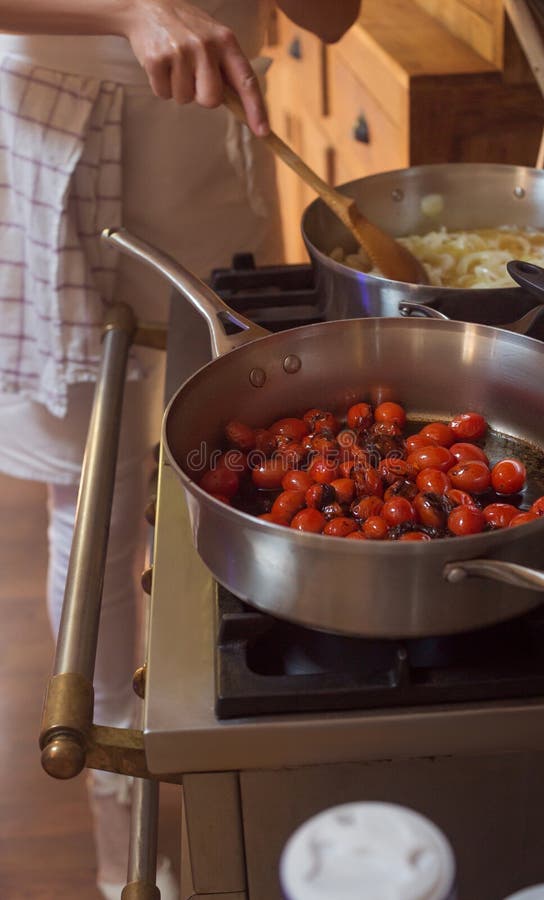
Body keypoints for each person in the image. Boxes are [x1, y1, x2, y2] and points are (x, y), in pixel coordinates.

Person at [0, 1, 361, 898]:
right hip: (56, 138)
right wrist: (128, 10)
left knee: (226, 481)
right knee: (93, 507)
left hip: (210, 150)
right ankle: (117, 822)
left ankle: (228, 773)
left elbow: (337, 19)